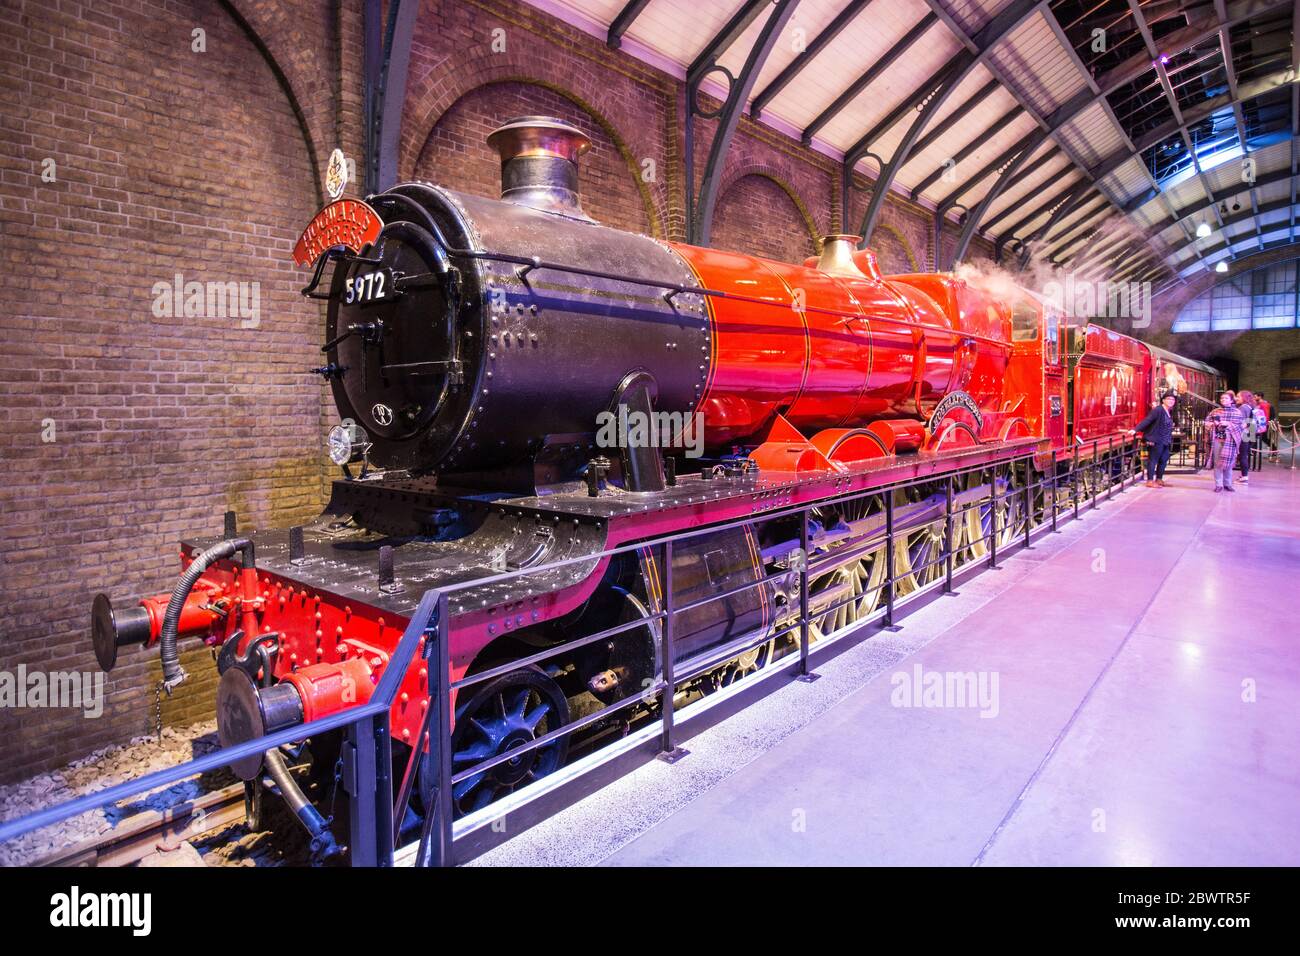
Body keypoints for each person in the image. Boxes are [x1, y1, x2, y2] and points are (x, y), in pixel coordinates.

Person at [1129, 393, 1177, 487]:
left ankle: (1159, 479)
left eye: (1173, 399)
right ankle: (1150, 481)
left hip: (1165, 440)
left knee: (1163, 460)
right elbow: (1148, 420)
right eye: (1169, 399)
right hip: (1156, 439)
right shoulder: (1158, 410)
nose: (1171, 401)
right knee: (1153, 460)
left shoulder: (1169, 411)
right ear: (1163, 400)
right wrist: (1136, 429)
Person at [1205, 390, 1245, 493]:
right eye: (1222, 398)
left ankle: (1227, 484)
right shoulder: (1215, 411)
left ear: (1231, 400)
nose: (1223, 400)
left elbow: (1241, 426)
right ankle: (1218, 484)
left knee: (1229, 463)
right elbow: (1207, 422)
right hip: (1218, 440)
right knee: (1217, 463)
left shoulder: (1237, 412)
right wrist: (1213, 424)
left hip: (1230, 441)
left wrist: (1228, 424)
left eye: (1226, 398)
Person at [1236, 389, 1257, 482]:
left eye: (1239, 396)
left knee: (1242, 456)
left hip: (1244, 434)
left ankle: (1244, 476)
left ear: (1243, 398)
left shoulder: (1243, 408)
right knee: (1245, 455)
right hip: (1250, 434)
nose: (1237, 398)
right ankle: (1244, 475)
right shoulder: (1250, 407)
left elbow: (1242, 423)